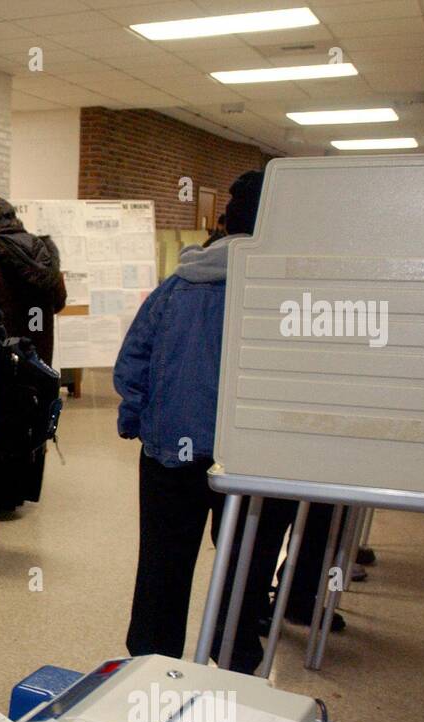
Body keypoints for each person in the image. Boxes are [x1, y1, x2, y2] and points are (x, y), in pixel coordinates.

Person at [114, 170, 285, 673]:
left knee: (162, 567)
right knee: (245, 567)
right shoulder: (285, 291)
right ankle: (234, 665)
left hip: (171, 453)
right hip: (255, 461)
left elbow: (132, 363)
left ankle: (150, 666)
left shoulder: (178, 285)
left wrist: (139, 419)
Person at [0, 195, 66, 557]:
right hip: (36, 351)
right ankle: (18, 493)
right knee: (29, 417)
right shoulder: (45, 251)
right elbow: (59, 299)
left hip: (0, 350)